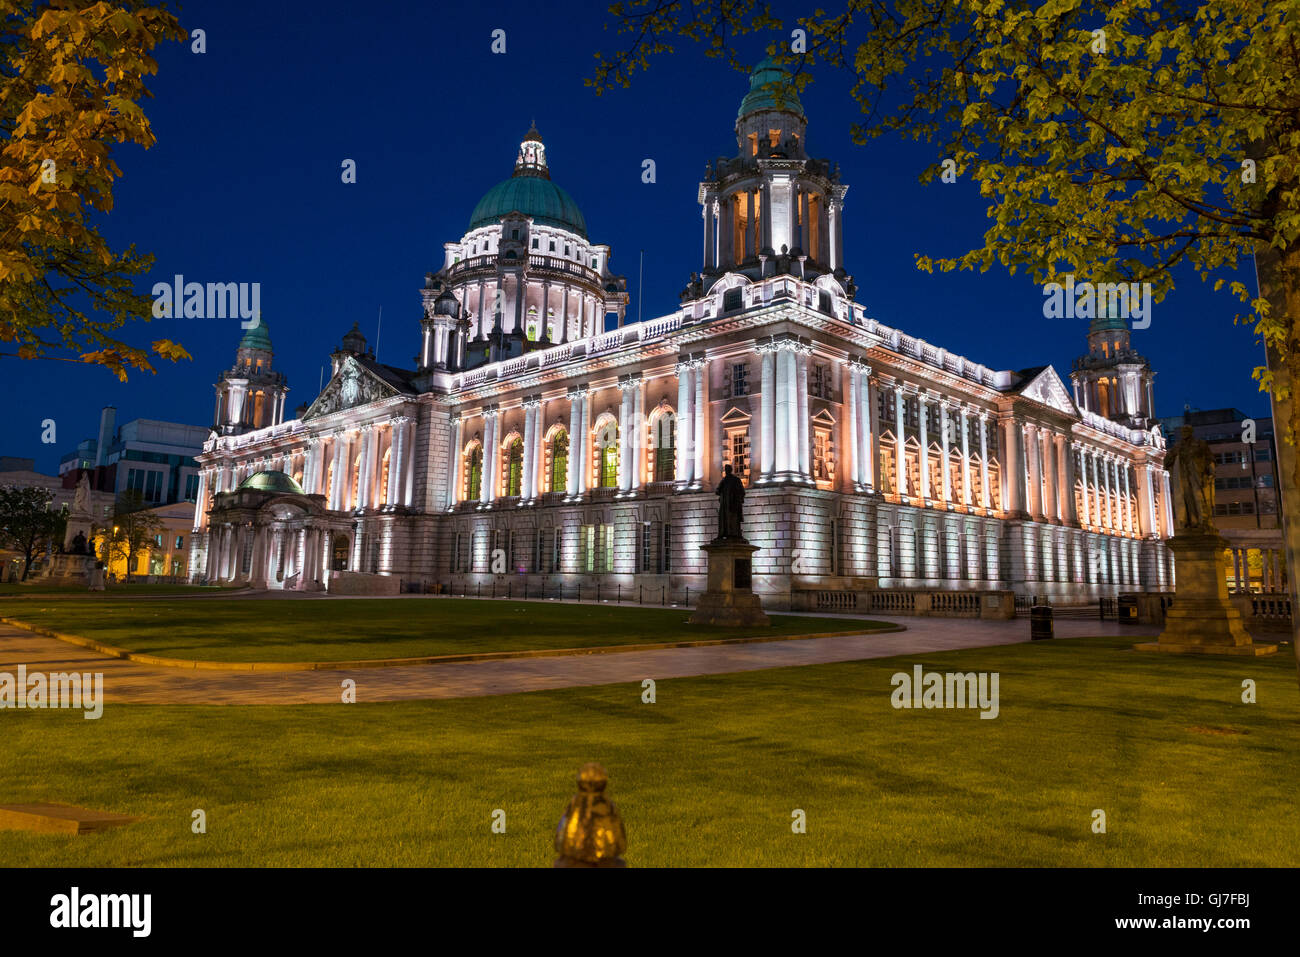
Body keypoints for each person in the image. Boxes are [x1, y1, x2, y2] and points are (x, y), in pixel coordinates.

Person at [715, 463, 746, 540]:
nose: (726, 471)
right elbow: (717, 491)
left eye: (727, 470)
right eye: (726, 470)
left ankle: (732, 534)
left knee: (732, 519)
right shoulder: (725, 480)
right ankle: (727, 533)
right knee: (727, 519)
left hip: (732, 504)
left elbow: (742, 492)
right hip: (727, 504)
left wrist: (738, 499)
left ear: (730, 470)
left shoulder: (733, 480)